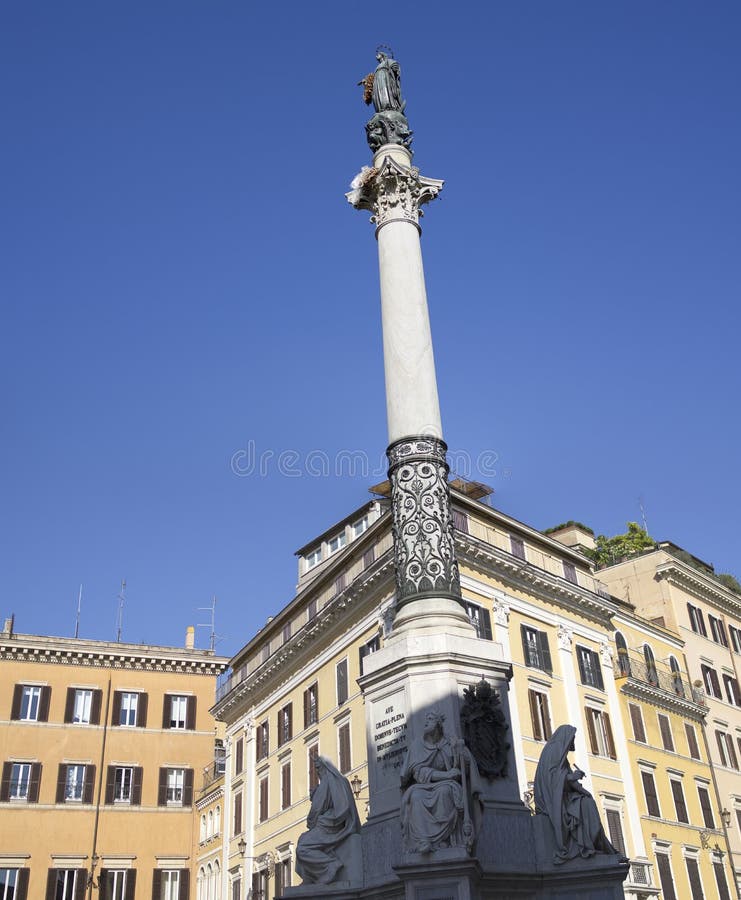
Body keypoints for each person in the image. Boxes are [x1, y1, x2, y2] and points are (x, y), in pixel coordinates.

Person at [534, 724, 618, 864]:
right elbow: (553, 780)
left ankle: (593, 845)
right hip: (552, 801)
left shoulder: (560, 755)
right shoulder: (554, 751)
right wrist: (573, 778)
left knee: (586, 800)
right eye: (572, 738)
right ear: (566, 738)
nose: (573, 742)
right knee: (586, 804)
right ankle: (587, 846)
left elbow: (563, 779)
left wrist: (576, 783)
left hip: (562, 797)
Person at [400, 710, 482, 854]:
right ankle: (424, 840)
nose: (426, 722)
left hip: (446, 785)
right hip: (425, 785)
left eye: (430, 719)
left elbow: (463, 767)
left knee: (445, 792)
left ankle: (443, 840)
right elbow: (419, 773)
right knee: (416, 796)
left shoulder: (449, 743)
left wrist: (461, 752)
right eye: (426, 719)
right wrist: (447, 775)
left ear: (438, 724)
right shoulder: (418, 745)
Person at [295, 756, 361, 884]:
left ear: (324, 768)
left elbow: (316, 811)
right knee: (303, 839)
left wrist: (315, 796)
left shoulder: (327, 781)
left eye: (318, 768)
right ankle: (311, 877)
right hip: (337, 823)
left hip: (331, 825)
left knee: (302, 847)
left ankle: (329, 865)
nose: (318, 772)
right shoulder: (340, 780)